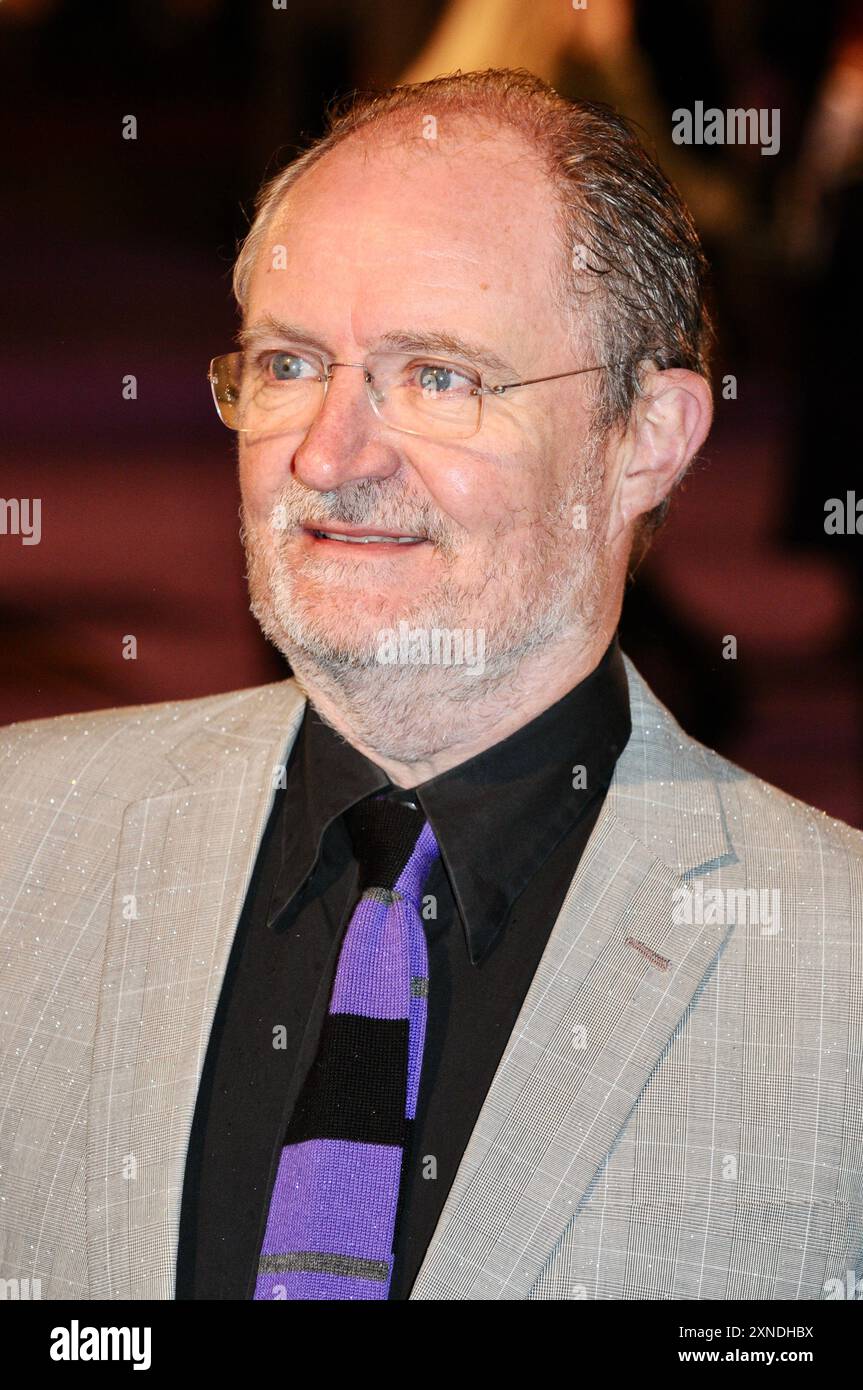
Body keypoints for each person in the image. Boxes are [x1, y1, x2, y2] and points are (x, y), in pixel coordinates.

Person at [1, 69, 861, 1302]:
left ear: (647, 440)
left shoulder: (835, 972)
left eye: (438, 379)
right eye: (289, 364)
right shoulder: (19, 845)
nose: (326, 454)